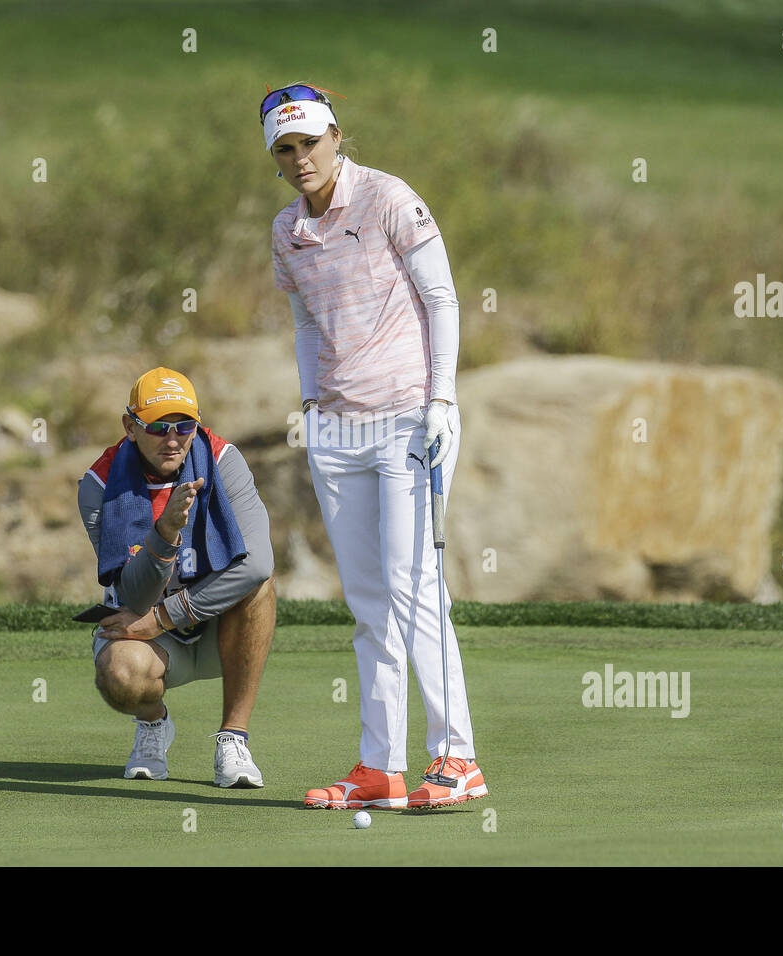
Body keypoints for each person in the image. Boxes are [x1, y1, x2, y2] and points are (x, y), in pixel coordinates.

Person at [262, 83, 487, 808]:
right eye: (285, 148)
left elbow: (441, 298)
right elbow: (303, 324)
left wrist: (442, 400)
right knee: (366, 600)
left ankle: (458, 757)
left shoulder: (389, 198)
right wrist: (308, 402)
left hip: (408, 421)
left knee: (413, 585)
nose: (301, 158)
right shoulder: (286, 231)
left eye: (310, 142)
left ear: (336, 137)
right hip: (336, 429)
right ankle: (379, 767)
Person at [76, 367, 276, 788]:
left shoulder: (224, 461)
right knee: (119, 677)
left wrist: (166, 615)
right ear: (130, 426)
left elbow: (256, 565)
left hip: (218, 629)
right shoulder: (99, 485)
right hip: (149, 632)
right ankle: (153, 725)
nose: (172, 438)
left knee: (260, 587)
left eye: (184, 426)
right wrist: (163, 536)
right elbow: (133, 593)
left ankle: (233, 739)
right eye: (158, 427)